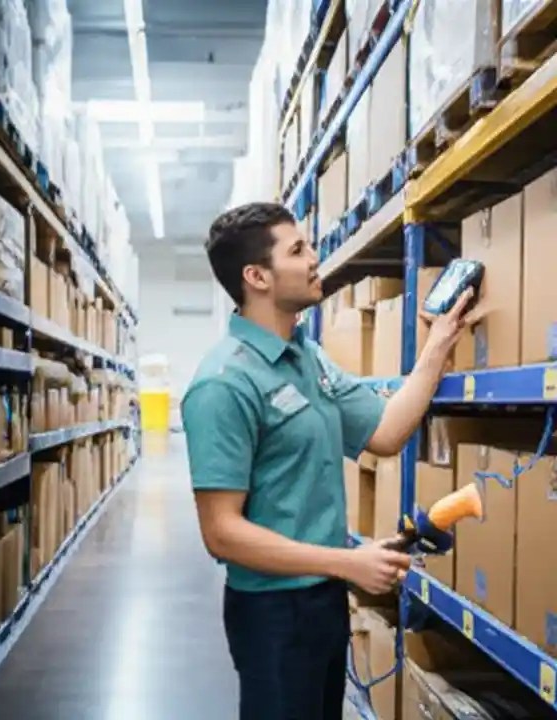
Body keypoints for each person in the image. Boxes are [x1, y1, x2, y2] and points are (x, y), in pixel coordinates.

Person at [181, 203, 475, 720]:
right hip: (271, 613)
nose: (315, 258)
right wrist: (347, 561)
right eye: (297, 250)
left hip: (324, 598)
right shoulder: (222, 384)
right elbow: (221, 533)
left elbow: (384, 432)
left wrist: (438, 344)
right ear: (257, 277)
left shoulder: (306, 357)